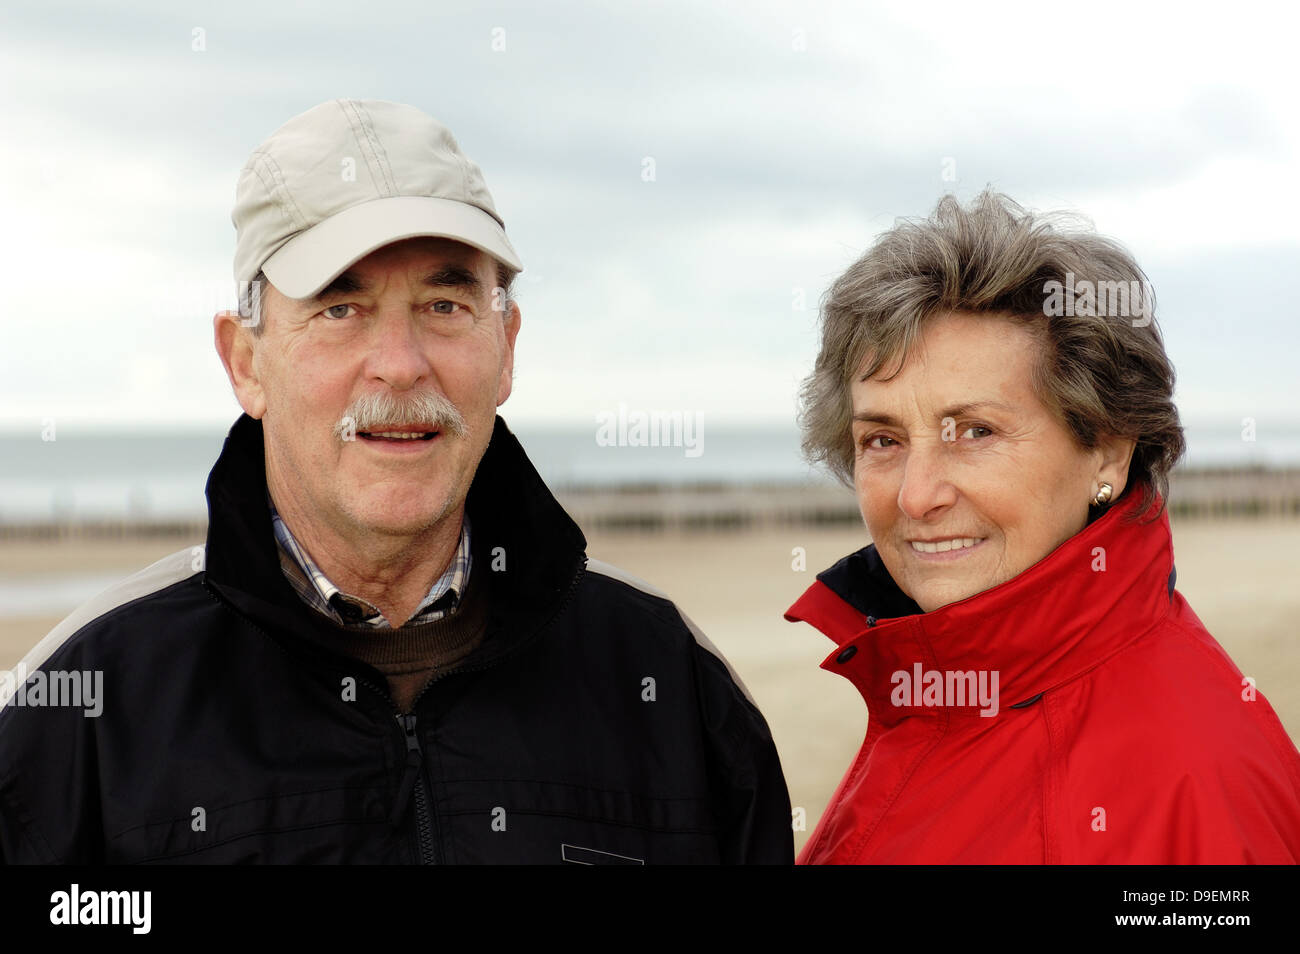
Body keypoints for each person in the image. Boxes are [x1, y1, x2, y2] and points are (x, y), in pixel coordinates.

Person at [0, 99, 793, 864]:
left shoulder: (669, 682)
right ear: (246, 361)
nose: (402, 363)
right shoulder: (85, 706)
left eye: (444, 304)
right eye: (340, 308)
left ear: (506, 344)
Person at [786, 189, 1300, 864]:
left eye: (976, 431)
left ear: (1108, 449)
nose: (915, 497)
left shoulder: (1189, 785)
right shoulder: (943, 694)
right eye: (882, 439)